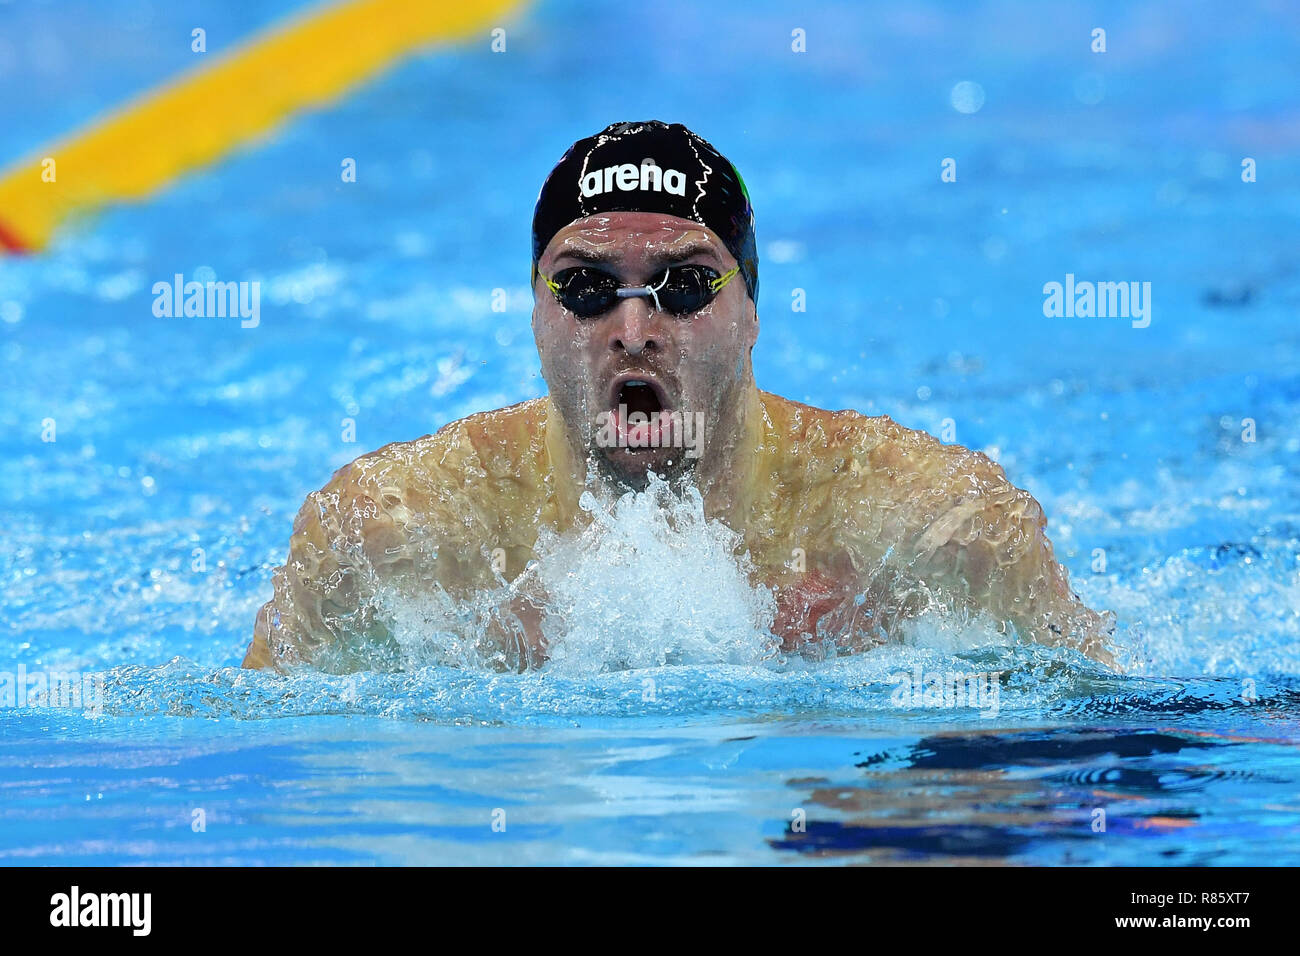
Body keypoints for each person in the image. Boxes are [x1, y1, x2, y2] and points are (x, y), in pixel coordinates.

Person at [242, 120, 1113, 672]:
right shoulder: (394, 537)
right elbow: (275, 776)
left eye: (685, 286)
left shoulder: (928, 527)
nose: (632, 329)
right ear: (533, 315)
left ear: (752, 310)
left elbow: (1117, 750)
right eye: (586, 287)